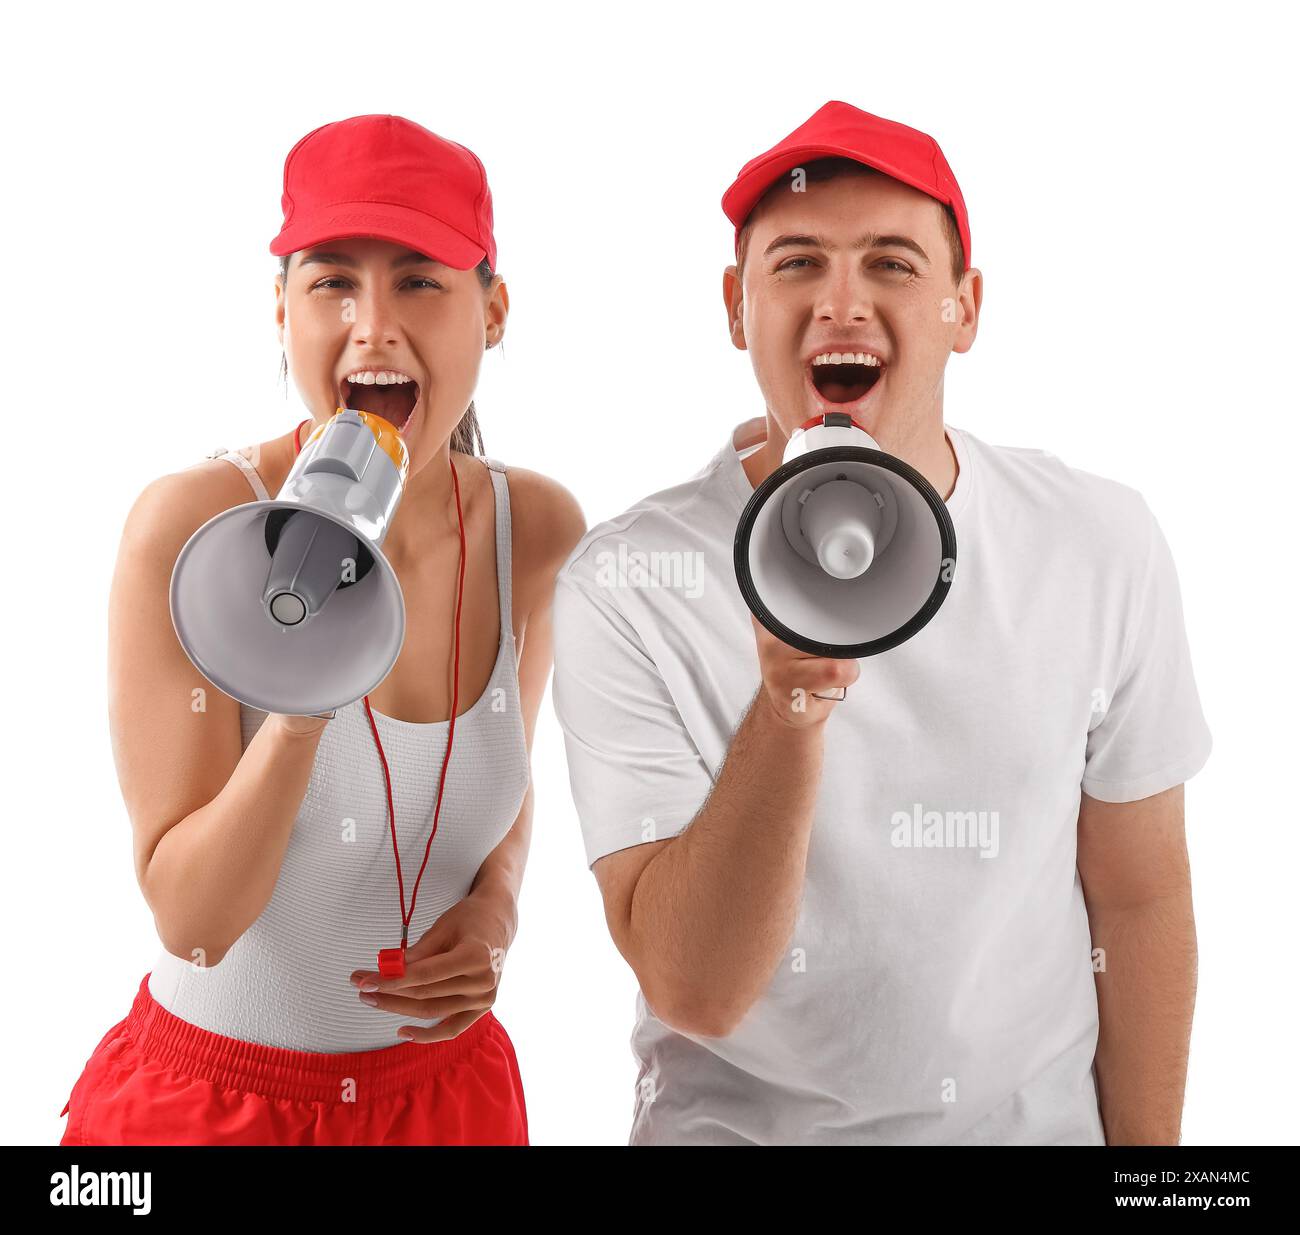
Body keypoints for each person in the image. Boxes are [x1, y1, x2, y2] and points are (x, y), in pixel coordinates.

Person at [551, 100, 1212, 1145]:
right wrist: (787, 708)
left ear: (965, 306)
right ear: (736, 305)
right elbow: (696, 988)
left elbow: (1135, 898)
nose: (840, 302)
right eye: (797, 263)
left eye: (893, 264)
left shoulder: (1096, 541)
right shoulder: (628, 584)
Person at [58, 114, 585, 1146]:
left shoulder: (536, 533)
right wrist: (300, 699)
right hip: (211, 1109)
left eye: (420, 280)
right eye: (331, 282)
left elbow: (496, 780)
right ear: (283, 311)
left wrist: (500, 906)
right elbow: (195, 926)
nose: (373, 325)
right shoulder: (189, 528)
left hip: (449, 1101)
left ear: (495, 308)